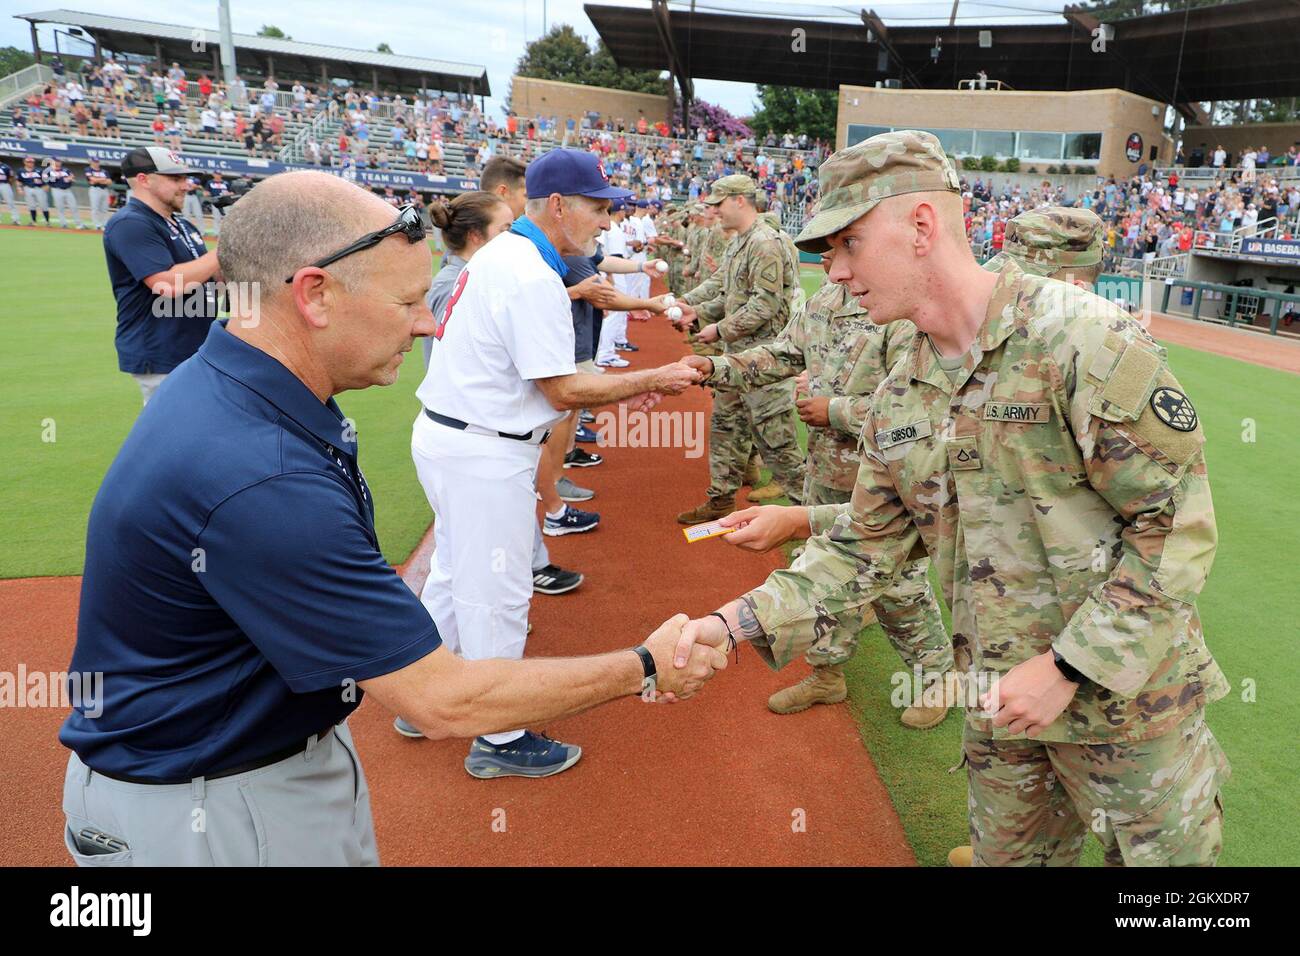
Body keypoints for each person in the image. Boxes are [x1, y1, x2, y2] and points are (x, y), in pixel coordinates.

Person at [57, 169, 730, 867]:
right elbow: (442, 699)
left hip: (234, 769)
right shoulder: (260, 474)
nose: (428, 322)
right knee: (485, 598)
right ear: (314, 295)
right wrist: (645, 665)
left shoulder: (241, 385)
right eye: (407, 301)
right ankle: (505, 751)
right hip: (208, 809)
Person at [672, 131, 1230, 868]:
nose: (833, 273)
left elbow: (1177, 529)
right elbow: (865, 544)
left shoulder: (1081, 339)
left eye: (847, 244)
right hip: (999, 709)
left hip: (1129, 713)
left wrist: (1066, 668)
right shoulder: (904, 381)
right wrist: (731, 623)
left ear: (922, 227)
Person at [411, 150, 703, 778]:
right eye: (598, 208)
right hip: (484, 448)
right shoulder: (527, 272)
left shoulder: (510, 255)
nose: (605, 221)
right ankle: (498, 735)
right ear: (558, 206)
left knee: (454, 575)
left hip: (454, 436)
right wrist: (662, 377)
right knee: (498, 595)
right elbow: (563, 390)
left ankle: (420, 698)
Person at [682, 247, 953, 726]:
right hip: (824, 473)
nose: (831, 267)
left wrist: (834, 411)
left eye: (839, 254)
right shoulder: (825, 301)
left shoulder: (899, 313)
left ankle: (935, 679)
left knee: (901, 592)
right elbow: (783, 353)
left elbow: (923, 413)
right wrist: (718, 367)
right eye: (825, 258)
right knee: (823, 578)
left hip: (887, 485)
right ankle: (827, 674)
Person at [673, 174, 805, 522]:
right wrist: (694, 308)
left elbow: (766, 305)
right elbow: (723, 288)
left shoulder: (765, 243)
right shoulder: (740, 242)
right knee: (725, 426)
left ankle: (813, 517)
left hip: (764, 360)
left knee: (777, 442)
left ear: (740, 201)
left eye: (719, 203)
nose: (714, 211)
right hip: (736, 357)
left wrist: (718, 328)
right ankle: (720, 499)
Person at [103, 147, 221, 405]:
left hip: (194, 345)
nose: (185, 185)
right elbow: (167, 284)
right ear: (144, 180)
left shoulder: (182, 224)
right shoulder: (130, 222)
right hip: (162, 349)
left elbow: (211, 277)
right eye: (175, 179)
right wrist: (224, 249)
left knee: (199, 432)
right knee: (177, 436)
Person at [16, 156, 50, 225]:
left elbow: (46, 179)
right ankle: (33, 221)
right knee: (31, 205)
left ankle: (47, 221)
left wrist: (46, 186)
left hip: (39, 188)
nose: (30, 163)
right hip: (27, 188)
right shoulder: (21, 171)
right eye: (28, 162)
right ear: (24, 162)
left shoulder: (39, 170)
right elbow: (18, 181)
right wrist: (19, 188)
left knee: (43, 205)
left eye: (32, 162)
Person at [85, 158, 114, 230]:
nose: (96, 163)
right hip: (95, 190)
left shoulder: (104, 171)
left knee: (104, 208)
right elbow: (92, 180)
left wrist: (97, 180)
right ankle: (97, 225)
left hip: (104, 190)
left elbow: (110, 181)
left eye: (97, 162)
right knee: (95, 208)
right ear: (91, 162)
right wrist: (103, 179)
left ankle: (105, 225)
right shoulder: (88, 169)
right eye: (95, 162)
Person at [0, 159, 21, 225]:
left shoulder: (6, 167)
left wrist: (8, 185)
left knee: (10, 202)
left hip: (4, 184)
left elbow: (11, 177)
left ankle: (16, 220)